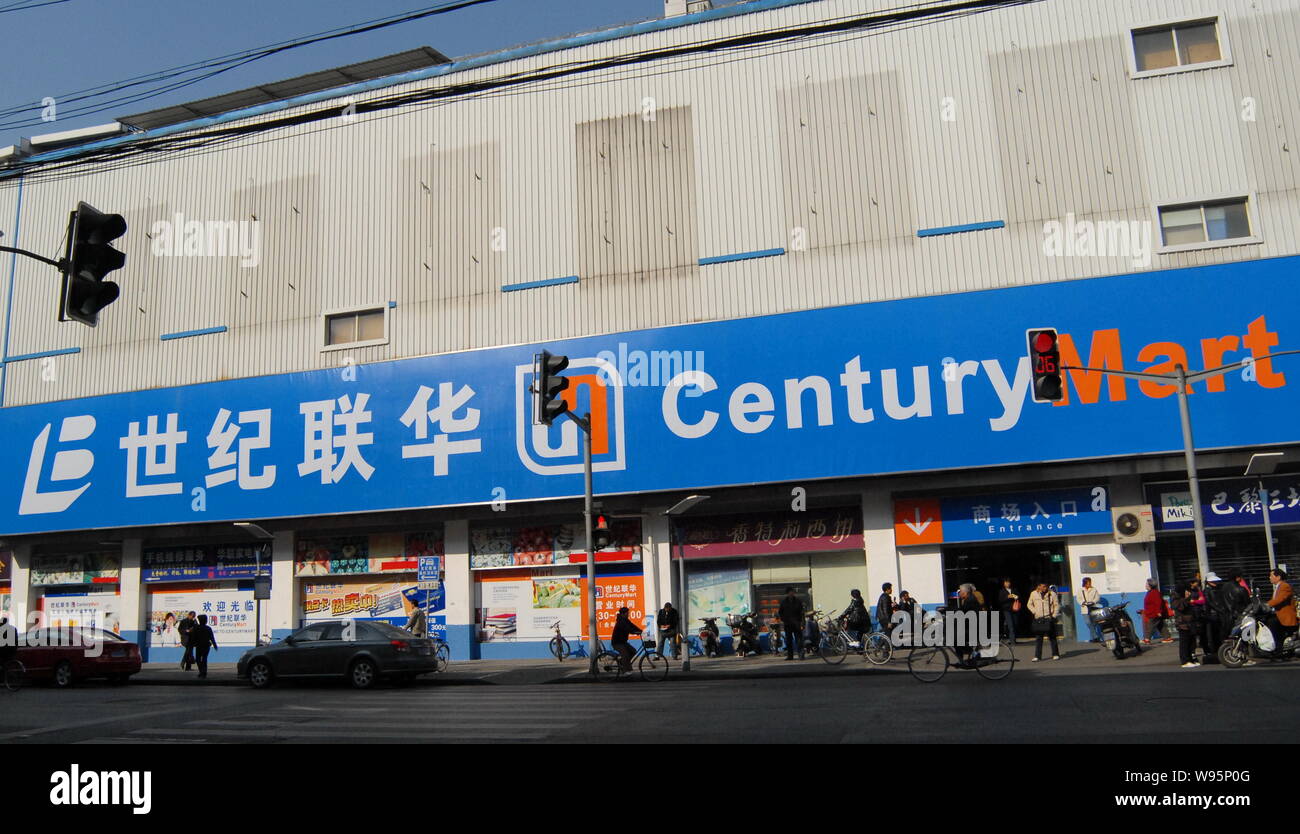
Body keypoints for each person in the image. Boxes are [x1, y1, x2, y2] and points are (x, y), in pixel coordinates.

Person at [1027, 582, 1060, 662]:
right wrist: (1034, 611)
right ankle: (1037, 656)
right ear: (1039, 586)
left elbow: (1056, 605)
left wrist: (1054, 615)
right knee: (1039, 638)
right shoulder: (1034, 593)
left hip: (1048, 617)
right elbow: (1029, 604)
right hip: (1038, 618)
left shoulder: (1052, 594)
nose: (1044, 588)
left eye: (1045, 586)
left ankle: (1055, 654)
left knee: (1052, 637)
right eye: (1042, 586)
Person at [1170, 584, 1198, 668]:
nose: (1188, 592)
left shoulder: (1184, 597)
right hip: (1182, 623)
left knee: (1191, 642)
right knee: (1184, 642)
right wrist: (1187, 599)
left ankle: (1190, 659)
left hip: (1190, 622)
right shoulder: (1176, 598)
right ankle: (1185, 660)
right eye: (1186, 590)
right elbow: (1180, 607)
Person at [1266, 569, 1297, 644]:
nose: (1269, 577)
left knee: (1272, 623)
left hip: (1285, 616)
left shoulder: (1284, 586)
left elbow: (1279, 599)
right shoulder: (1278, 587)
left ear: (1278, 577)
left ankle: (1278, 646)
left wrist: (1266, 605)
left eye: (1271, 575)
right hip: (1278, 614)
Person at [954, 584, 981, 667]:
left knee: (956, 639)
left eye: (960, 592)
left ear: (965, 592)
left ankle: (974, 653)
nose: (959, 594)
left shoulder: (970, 600)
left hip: (973, 628)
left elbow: (962, 611)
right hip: (970, 625)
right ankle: (961, 660)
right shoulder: (968, 599)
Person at [611, 607, 643, 672]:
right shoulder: (621, 621)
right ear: (623, 614)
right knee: (625, 655)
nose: (628, 614)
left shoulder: (626, 620)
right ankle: (626, 671)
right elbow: (627, 629)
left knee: (633, 651)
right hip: (617, 643)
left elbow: (632, 625)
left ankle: (622, 662)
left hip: (623, 642)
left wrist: (640, 630)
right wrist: (634, 632)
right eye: (627, 613)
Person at [778, 587, 805, 661]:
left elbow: (802, 612)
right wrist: (784, 620)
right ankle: (790, 656)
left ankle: (801, 654)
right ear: (787, 593)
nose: (791, 593)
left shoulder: (798, 601)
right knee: (789, 640)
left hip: (796, 623)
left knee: (799, 640)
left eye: (792, 592)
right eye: (790, 592)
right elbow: (780, 612)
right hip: (788, 624)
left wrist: (802, 622)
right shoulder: (784, 602)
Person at [1141, 579, 1172, 644]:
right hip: (1152, 612)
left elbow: (1158, 603)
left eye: (1146, 584)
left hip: (1154, 613)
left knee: (1150, 626)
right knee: (1161, 625)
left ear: (1150, 585)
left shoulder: (1154, 593)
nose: (1145, 585)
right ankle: (1167, 637)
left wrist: (1158, 612)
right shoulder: (1150, 592)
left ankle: (1147, 639)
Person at [189, 614, 218, 679]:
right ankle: (203, 672)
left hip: (199, 646)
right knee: (204, 659)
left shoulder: (197, 628)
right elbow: (212, 638)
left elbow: (193, 638)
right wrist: (215, 645)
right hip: (205, 646)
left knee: (199, 659)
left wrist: (191, 645)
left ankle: (202, 672)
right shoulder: (208, 628)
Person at [1077, 577, 1101, 642]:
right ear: (1085, 583)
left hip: (1092, 607)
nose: (1090, 583)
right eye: (1088, 582)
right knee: (1088, 622)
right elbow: (1078, 598)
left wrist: (1093, 602)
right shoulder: (1080, 590)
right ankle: (1096, 636)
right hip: (1085, 608)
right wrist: (1083, 602)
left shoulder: (1094, 589)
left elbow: (1097, 597)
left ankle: (1092, 638)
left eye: (1090, 582)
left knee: (1093, 623)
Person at [997, 578, 1020, 643]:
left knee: (1015, 624)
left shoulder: (1014, 589)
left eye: (1009, 582)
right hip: (1006, 609)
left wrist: (1016, 596)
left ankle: (1013, 638)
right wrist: (1007, 597)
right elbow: (1000, 600)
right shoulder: (1002, 591)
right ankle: (1012, 640)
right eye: (1006, 582)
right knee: (1010, 625)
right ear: (1004, 583)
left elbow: (1019, 597)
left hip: (1015, 609)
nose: (1008, 583)